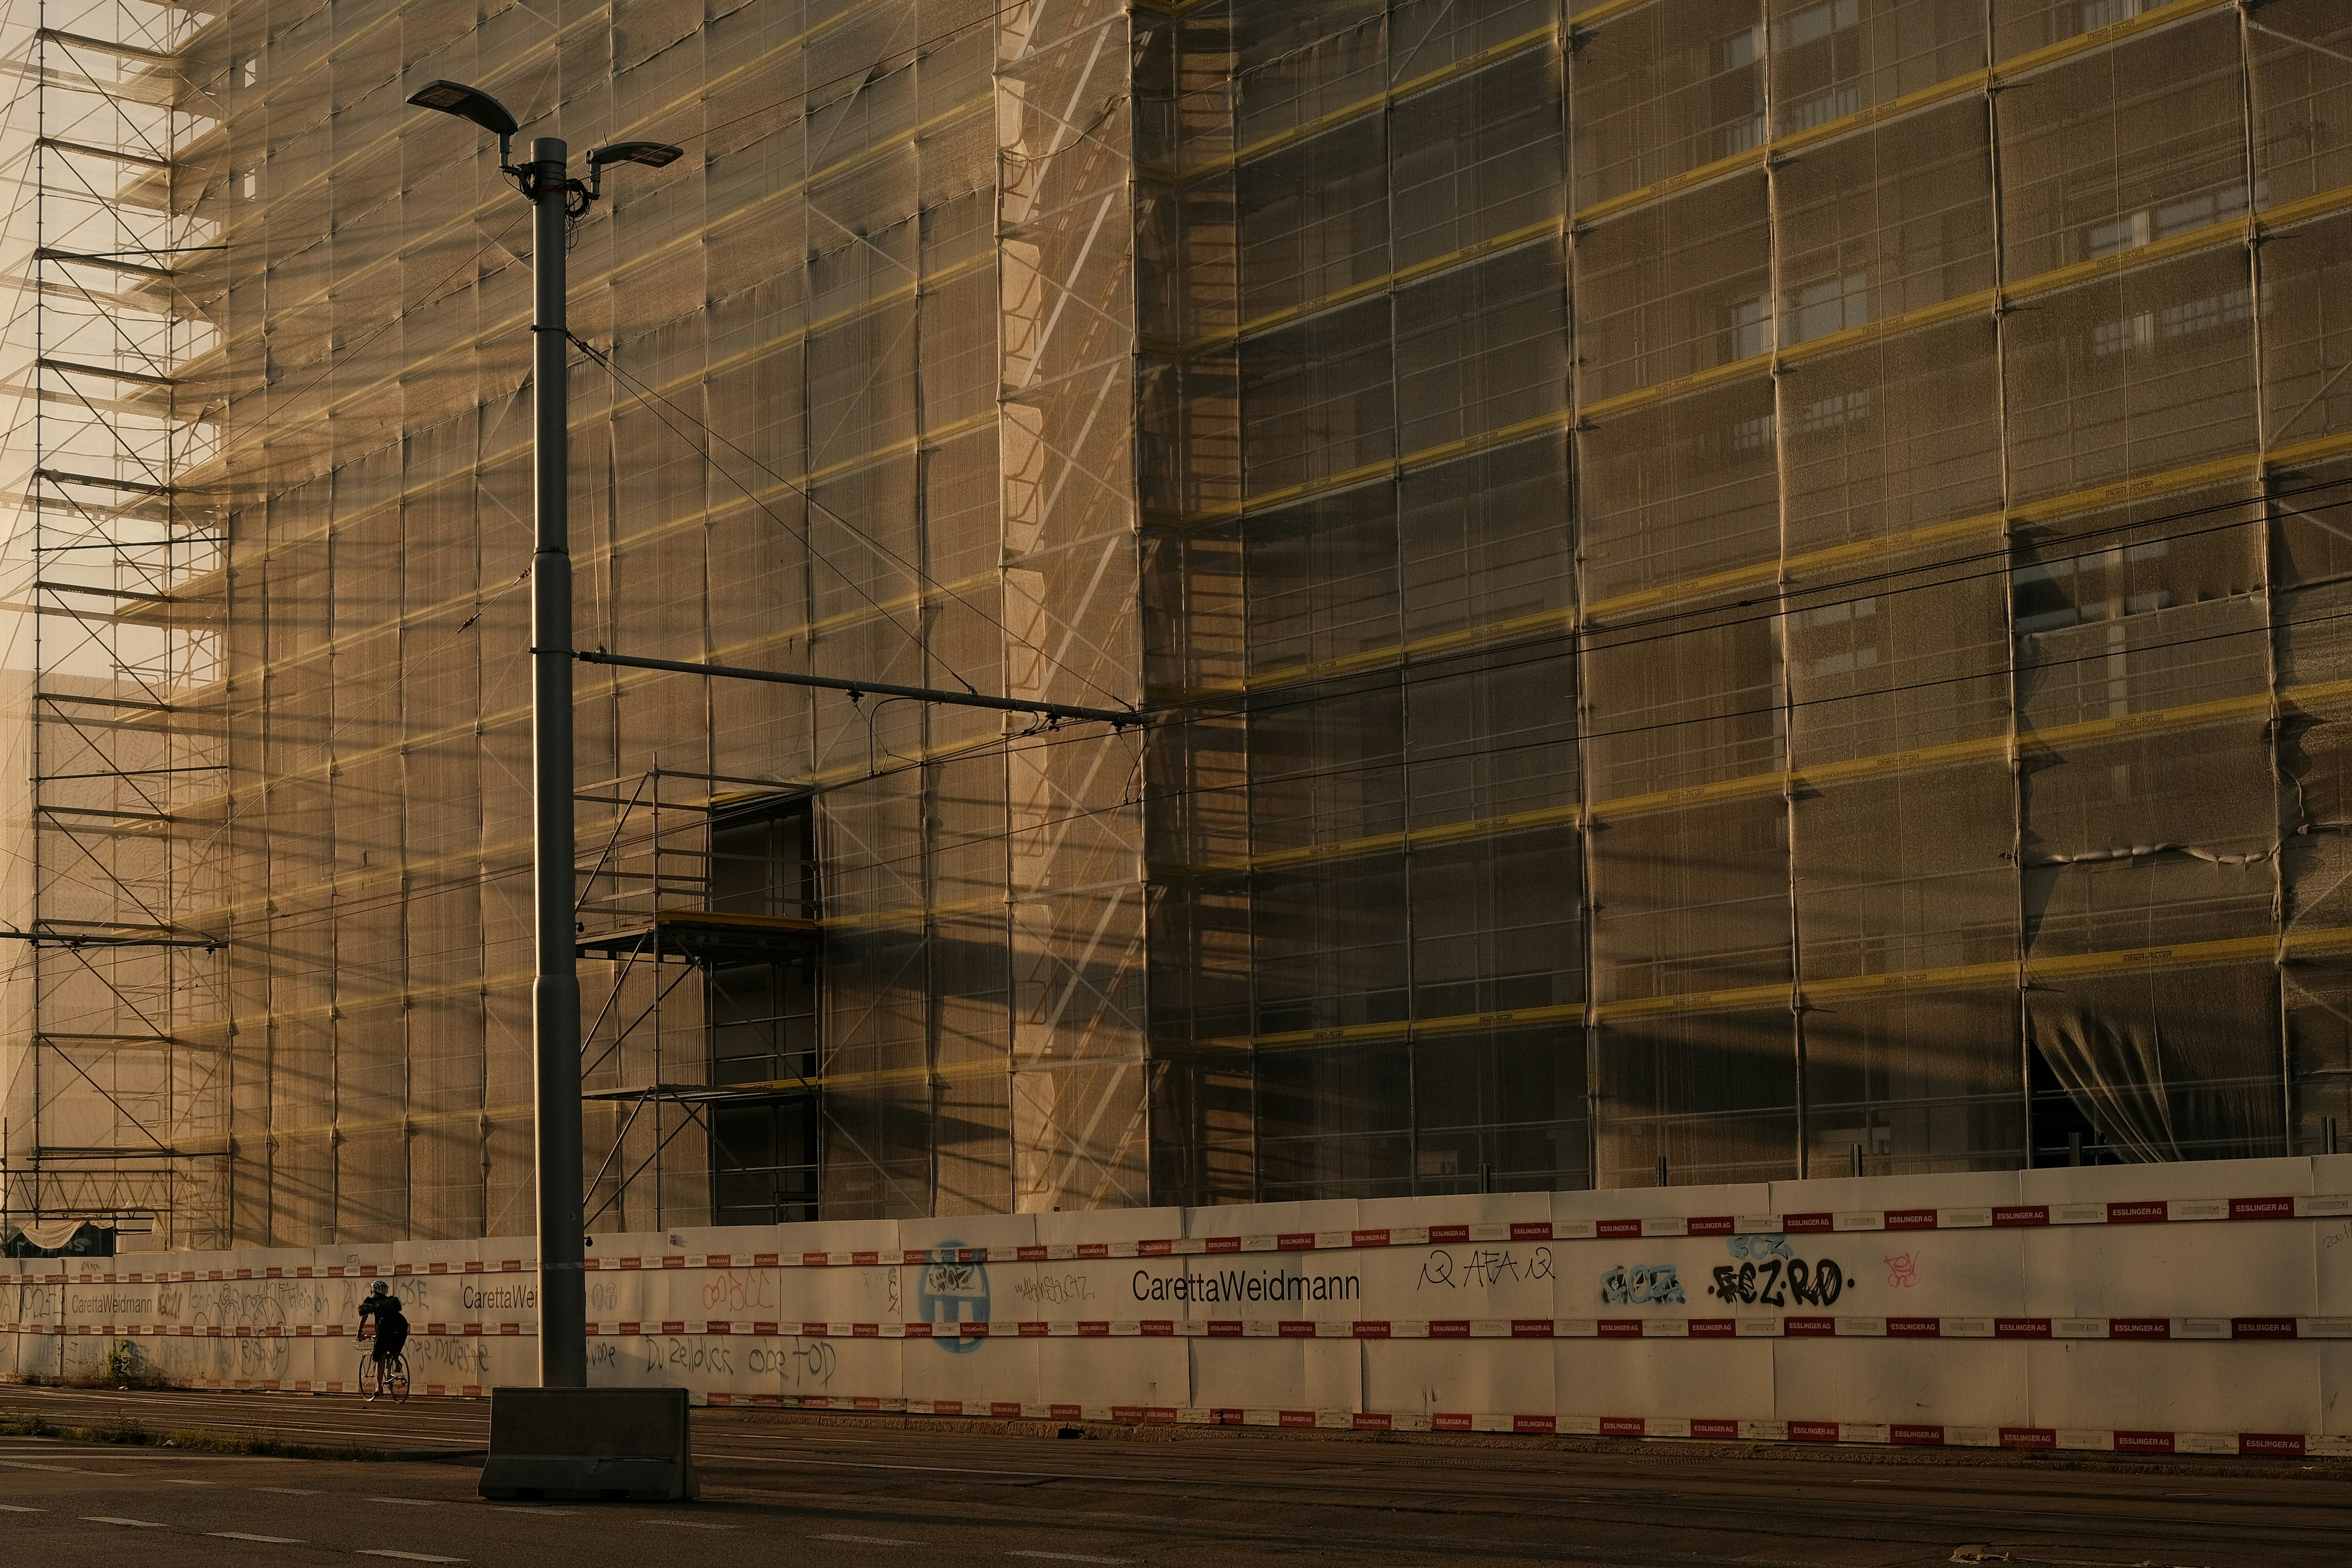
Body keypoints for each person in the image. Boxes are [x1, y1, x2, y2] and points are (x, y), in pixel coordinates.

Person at [357, 1281, 408, 1399]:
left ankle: (379, 1387)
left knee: (381, 1356)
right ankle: (396, 1360)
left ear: (373, 1291)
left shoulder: (371, 1302)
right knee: (395, 1348)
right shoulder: (392, 1300)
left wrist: (359, 1333)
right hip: (402, 1326)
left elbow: (363, 1318)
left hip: (386, 1329)